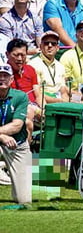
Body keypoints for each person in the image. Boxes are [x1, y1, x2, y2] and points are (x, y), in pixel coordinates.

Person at [0, 61, 31, 206]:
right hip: (3, 141)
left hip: (17, 145)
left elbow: (17, 126)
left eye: (5, 76)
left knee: (24, 200)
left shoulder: (20, 97)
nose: (2, 79)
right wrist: (1, 136)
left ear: (12, 79)